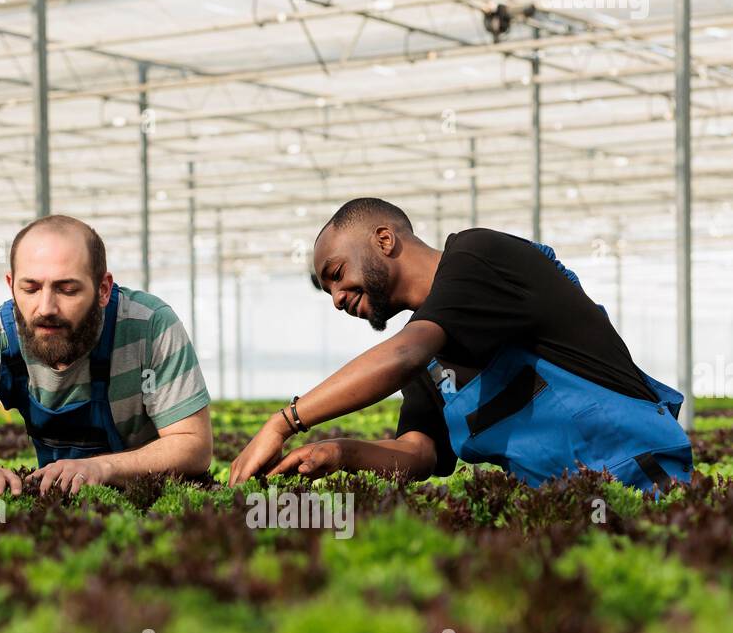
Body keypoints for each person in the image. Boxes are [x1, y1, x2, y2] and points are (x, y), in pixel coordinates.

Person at [229, 198, 692, 493]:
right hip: (563, 498)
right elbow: (420, 452)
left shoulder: (479, 257)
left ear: (384, 239)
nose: (336, 299)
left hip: (640, 475)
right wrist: (339, 452)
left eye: (336, 274)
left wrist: (285, 422)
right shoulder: (427, 353)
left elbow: (402, 354)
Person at [0, 214, 212, 498]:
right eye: (30, 288)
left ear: (103, 289)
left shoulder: (148, 326)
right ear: (11, 286)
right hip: (61, 500)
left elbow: (193, 444)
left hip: (144, 500)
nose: (46, 308)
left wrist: (102, 467)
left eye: (67, 289)